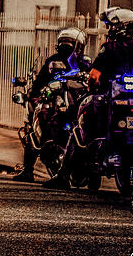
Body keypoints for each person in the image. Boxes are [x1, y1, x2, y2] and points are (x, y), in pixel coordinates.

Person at [43, 8, 133, 189]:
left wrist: (91, 88)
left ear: (121, 27)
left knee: (77, 124)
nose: (109, 30)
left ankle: (63, 176)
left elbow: (94, 76)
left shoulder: (108, 48)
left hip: (108, 99)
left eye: (112, 26)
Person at [12, 27, 88, 183]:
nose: (66, 47)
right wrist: (35, 95)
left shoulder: (80, 63)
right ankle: (28, 169)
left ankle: (30, 170)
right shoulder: (62, 62)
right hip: (61, 101)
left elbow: (92, 82)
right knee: (36, 122)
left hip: (72, 103)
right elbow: (40, 83)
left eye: (69, 43)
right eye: (65, 43)